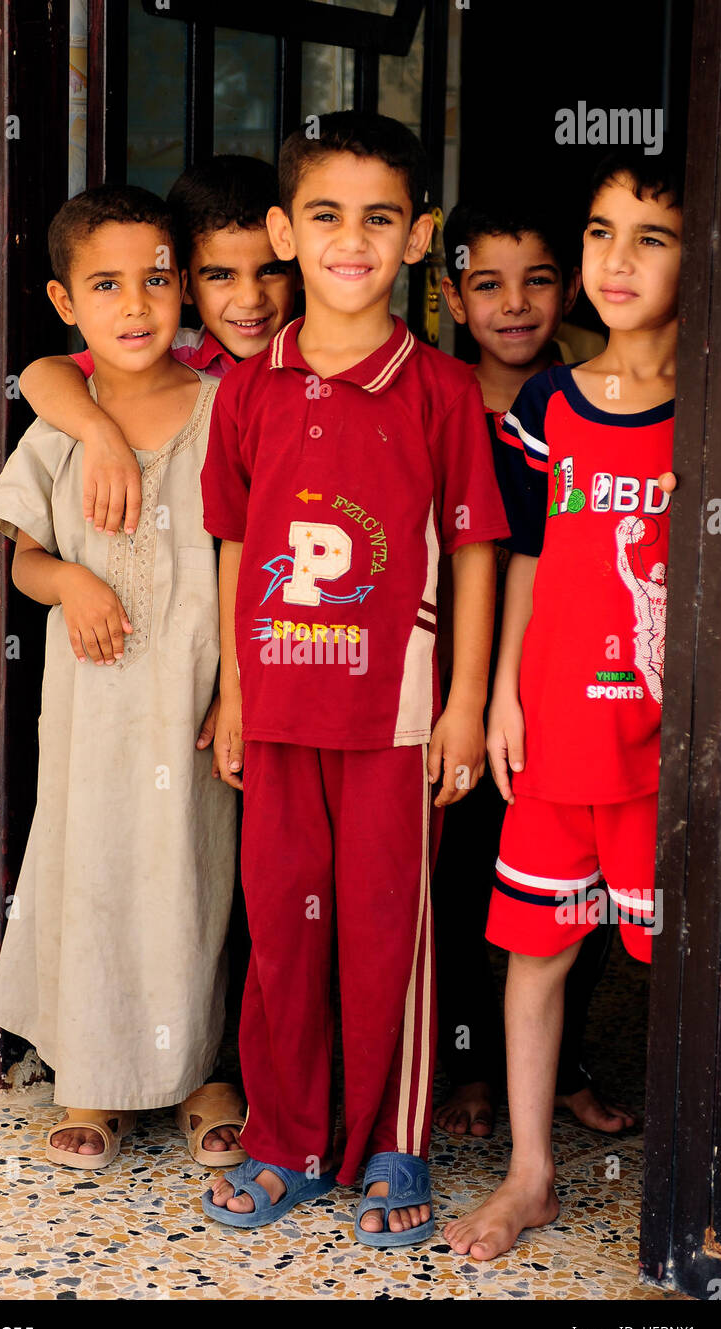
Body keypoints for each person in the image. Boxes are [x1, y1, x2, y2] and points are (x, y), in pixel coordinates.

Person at [199, 111, 508, 1247]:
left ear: (418, 236)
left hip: (397, 713)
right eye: (325, 214)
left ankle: (392, 1139)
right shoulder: (250, 387)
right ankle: (288, 1137)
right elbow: (235, 543)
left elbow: (475, 548)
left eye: (381, 216)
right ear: (285, 230)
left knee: (389, 925)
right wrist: (235, 687)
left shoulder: (439, 388)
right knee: (284, 921)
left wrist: (465, 701)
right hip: (277, 706)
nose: (352, 239)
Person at [444, 153, 682, 1260]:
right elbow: (529, 553)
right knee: (536, 952)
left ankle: (693, 1180)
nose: (616, 260)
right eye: (601, 232)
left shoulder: (717, 404)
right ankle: (532, 1175)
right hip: (553, 728)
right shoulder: (551, 400)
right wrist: (500, 695)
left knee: (676, 962)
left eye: (651, 237)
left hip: (664, 750)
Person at [0, 185, 238, 1170]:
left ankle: (201, 1074)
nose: (135, 305)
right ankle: (93, 1072)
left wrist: (238, 688)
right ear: (64, 301)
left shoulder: (223, 411)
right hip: (93, 712)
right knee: (96, 876)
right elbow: (23, 559)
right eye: (106, 285)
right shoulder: (61, 424)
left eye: (156, 280)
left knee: (195, 880)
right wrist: (71, 580)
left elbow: (245, 558)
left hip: (193, 705)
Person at [433, 203, 634, 1141]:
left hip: (560, 693)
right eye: (487, 284)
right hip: (447, 680)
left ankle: (565, 1064)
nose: (515, 305)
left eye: (539, 280)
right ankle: (470, 1062)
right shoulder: (431, 391)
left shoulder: (591, 394)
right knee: (469, 873)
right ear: (449, 295)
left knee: (572, 893)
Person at [17, 156, 298, 538]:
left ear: (299, 271)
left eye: (270, 270)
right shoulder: (171, 354)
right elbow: (42, 375)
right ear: (186, 285)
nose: (250, 298)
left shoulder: (315, 370)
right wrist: (99, 432)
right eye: (219, 275)